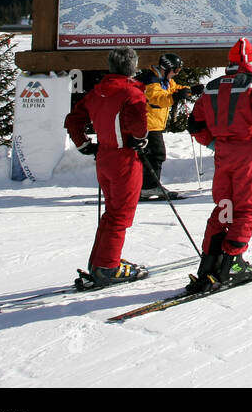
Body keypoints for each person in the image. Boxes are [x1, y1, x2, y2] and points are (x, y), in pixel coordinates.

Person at [186, 38, 252, 291]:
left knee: (224, 206)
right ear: (251, 61)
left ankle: (210, 262)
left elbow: (195, 124)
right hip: (247, 152)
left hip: (223, 154)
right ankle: (234, 264)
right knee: (247, 209)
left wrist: (213, 143)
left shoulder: (211, 87)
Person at [64, 47, 150, 288]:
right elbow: (139, 125)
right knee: (120, 213)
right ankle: (108, 267)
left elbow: (73, 120)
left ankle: (102, 261)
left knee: (112, 212)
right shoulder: (131, 92)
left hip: (104, 156)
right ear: (132, 67)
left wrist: (83, 144)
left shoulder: (97, 91)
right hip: (124, 157)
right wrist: (140, 138)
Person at [135, 53, 203, 200]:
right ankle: (149, 187)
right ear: (167, 68)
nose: (176, 74)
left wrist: (189, 90)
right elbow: (158, 99)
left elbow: (175, 88)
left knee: (152, 155)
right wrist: (175, 97)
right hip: (148, 124)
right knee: (157, 154)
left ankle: (146, 186)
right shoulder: (151, 81)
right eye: (176, 71)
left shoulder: (164, 80)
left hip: (154, 124)